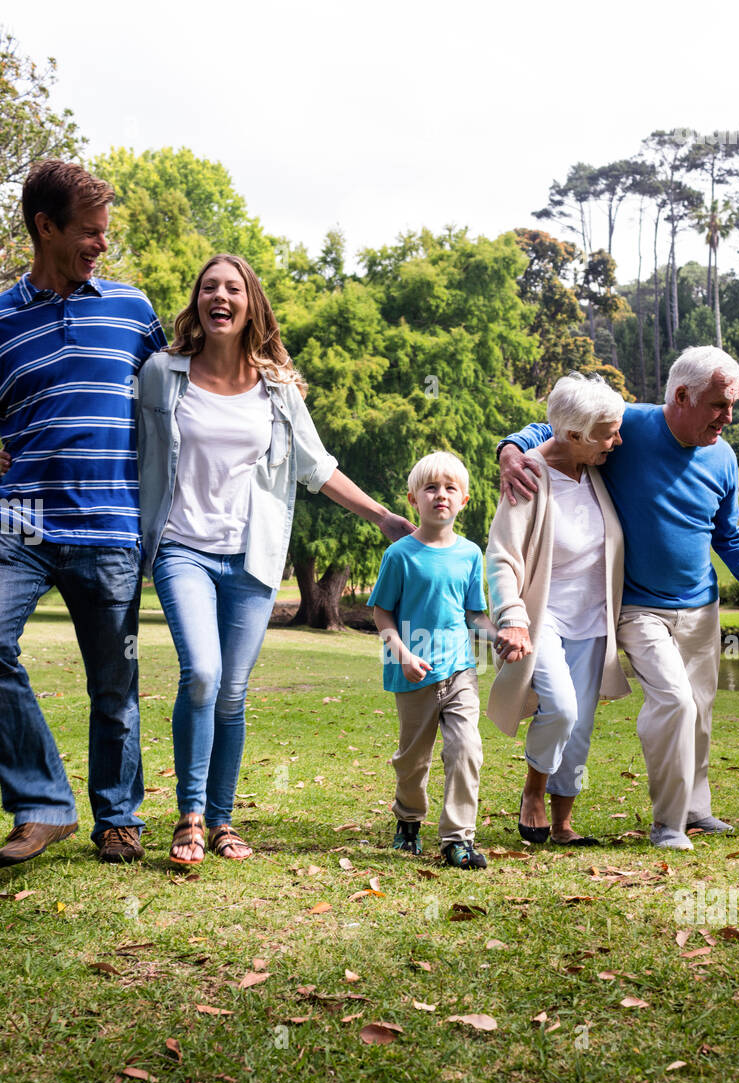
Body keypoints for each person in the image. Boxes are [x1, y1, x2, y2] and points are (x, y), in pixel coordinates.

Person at [138, 254, 413, 866]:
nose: (219, 296)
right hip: (182, 547)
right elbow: (123, 439)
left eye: (232, 288)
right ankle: (188, 816)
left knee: (231, 692)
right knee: (203, 674)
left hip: (254, 558)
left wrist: (385, 519)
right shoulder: (162, 373)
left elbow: (318, 469)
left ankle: (223, 820)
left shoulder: (278, 391)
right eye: (208, 286)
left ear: (250, 304)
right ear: (197, 302)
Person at [498, 347, 739, 851]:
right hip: (637, 607)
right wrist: (509, 448)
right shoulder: (625, 427)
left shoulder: (723, 456)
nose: (729, 416)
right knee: (672, 700)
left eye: (732, 405)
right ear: (682, 396)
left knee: (697, 709)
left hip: (696, 604)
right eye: (720, 404)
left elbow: (729, 534)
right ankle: (668, 824)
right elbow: (554, 427)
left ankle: (694, 810)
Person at [0, 160, 166, 868]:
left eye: (105, 233)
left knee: (114, 683)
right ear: (45, 228)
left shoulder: (133, 312)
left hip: (110, 524)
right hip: (22, 521)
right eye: (89, 233)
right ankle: (42, 805)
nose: (102, 244)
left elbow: (187, 388)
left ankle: (118, 815)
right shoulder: (1, 318)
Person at [486, 374, 630, 845]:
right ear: (572, 436)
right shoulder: (528, 474)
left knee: (582, 726)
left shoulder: (597, 469)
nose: (617, 440)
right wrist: (511, 616)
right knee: (562, 710)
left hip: (593, 620)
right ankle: (533, 790)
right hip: (541, 618)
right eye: (608, 434)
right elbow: (503, 555)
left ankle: (564, 823)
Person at [368, 451, 498, 868]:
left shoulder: (470, 554)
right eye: (430, 488)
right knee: (412, 761)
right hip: (413, 674)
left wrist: (498, 637)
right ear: (413, 500)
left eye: (450, 488)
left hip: (460, 670)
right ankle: (408, 822)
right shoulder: (400, 555)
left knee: (466, 749)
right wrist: (401, 653)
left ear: (464, 500)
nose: (440, 495)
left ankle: (457, 839)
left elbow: (473, 614)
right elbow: (381, 612)